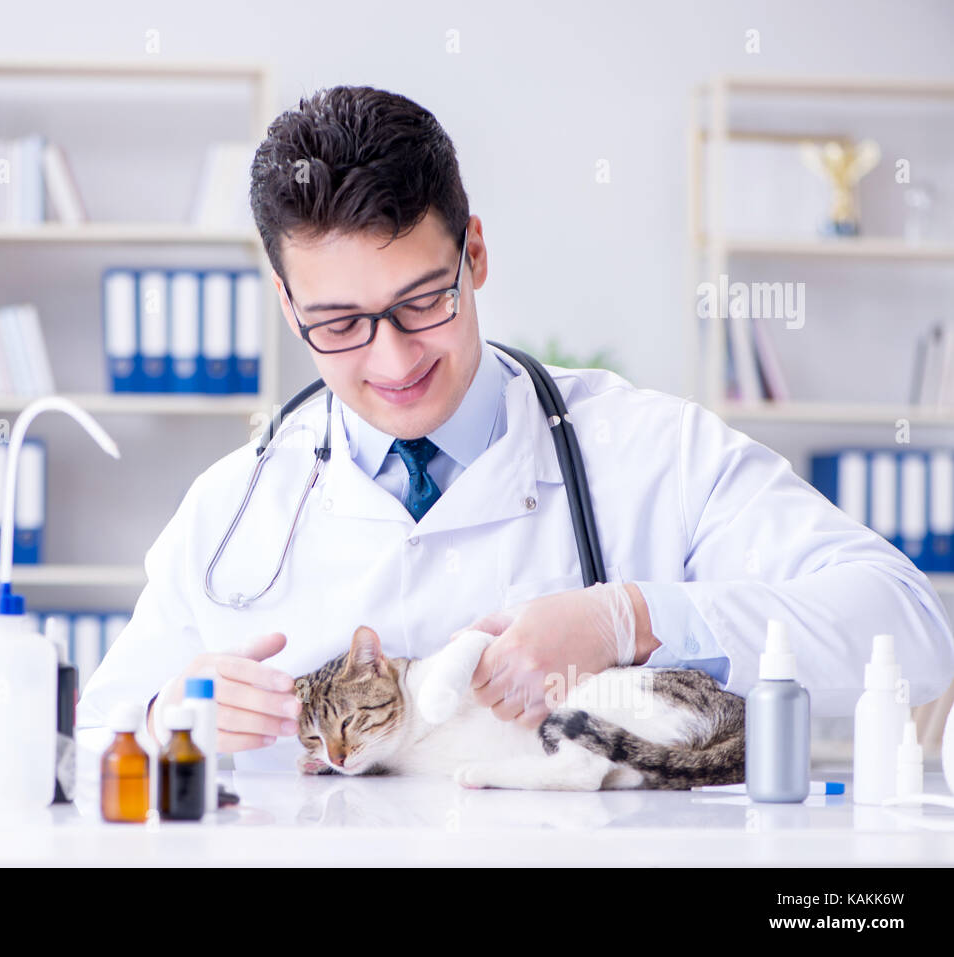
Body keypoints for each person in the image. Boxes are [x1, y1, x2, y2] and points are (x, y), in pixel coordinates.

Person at [78, 85, 954, 773]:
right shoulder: (235, 506)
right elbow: (90, 747)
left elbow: (912, 631)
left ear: (476, 255)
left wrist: (634, 618)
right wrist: (165, 720)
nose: (389, 362)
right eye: (339, 322)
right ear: (286, 304)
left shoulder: (651, 451)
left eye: (422, 301)